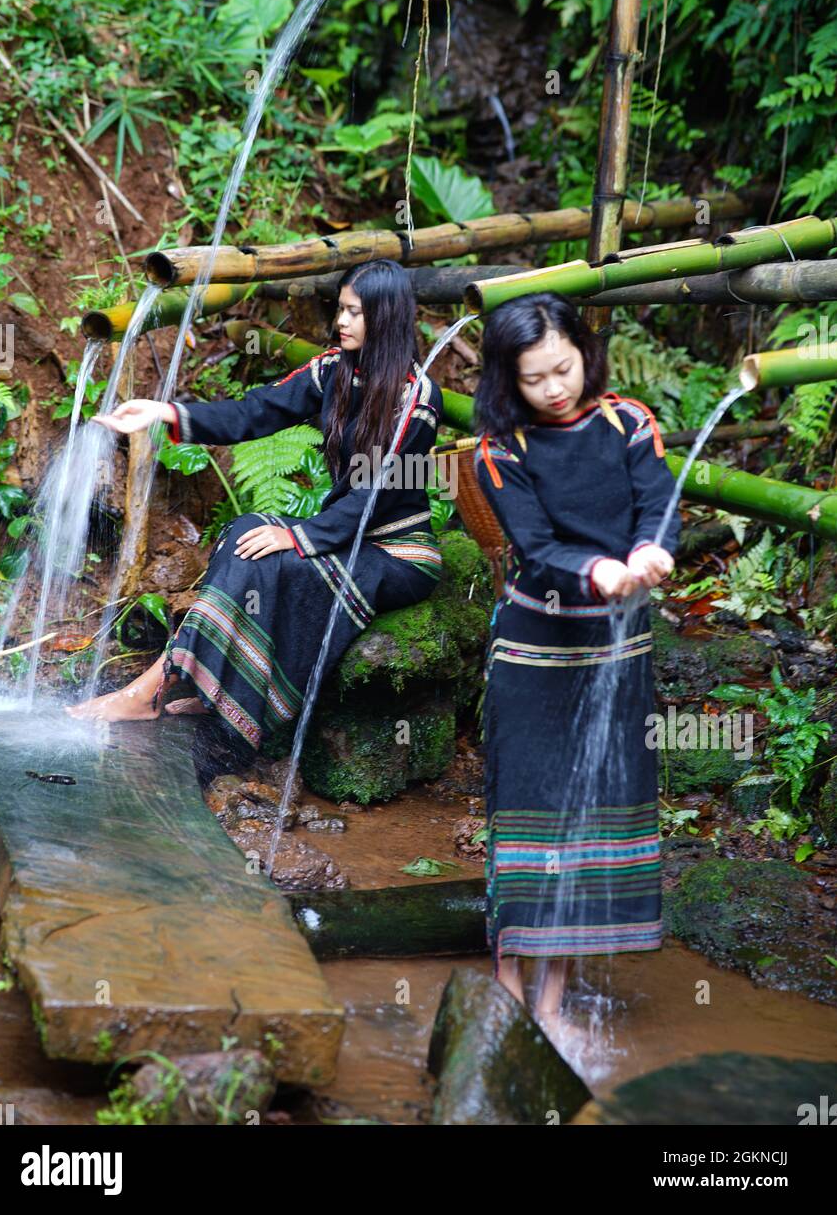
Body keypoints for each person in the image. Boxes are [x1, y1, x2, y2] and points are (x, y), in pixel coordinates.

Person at [66, 259, 443, 747]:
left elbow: (375, 496)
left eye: (354, 313)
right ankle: (208, 684)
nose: (341, 322)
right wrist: (164, 412)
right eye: (341, 310)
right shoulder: (334, 369)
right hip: (345, 535)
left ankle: (149, 690)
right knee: (246, 534)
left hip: (396, 553)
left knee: (279, 559)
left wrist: (297, 536)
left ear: (386, 318)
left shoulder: (417, 401)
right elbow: (256, 411)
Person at [471, 291, 681, 1047]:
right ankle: (503, 987)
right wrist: (598, 569)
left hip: (617, 647)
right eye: (534, 379)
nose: (555, 388)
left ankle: (551, 1000)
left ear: (584, 356)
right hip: (535, 648)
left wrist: (651, 551)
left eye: (563, 369)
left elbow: (657, 507)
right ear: (507, 382)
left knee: (589, 812)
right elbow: (534, 547)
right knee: (523, 811)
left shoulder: (627, 423)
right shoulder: (502, 450)